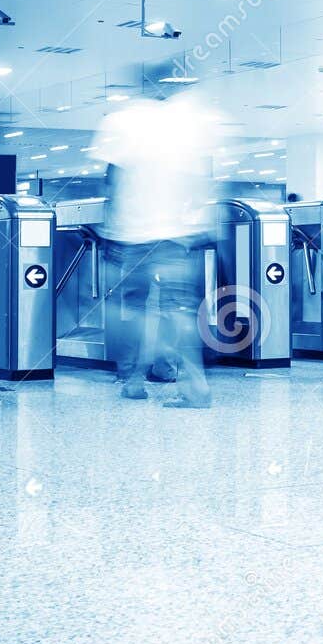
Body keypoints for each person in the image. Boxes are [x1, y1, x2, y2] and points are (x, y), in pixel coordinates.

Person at [92, 91, 217, 409]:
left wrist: (110, 230)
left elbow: (113, 179)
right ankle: (197, 383)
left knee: (135, 309)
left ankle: (135, 379)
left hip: (134, 235)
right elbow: (202, 180)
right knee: (179, 309)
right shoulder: (187, 124)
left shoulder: (124, 121)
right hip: (177, 234)